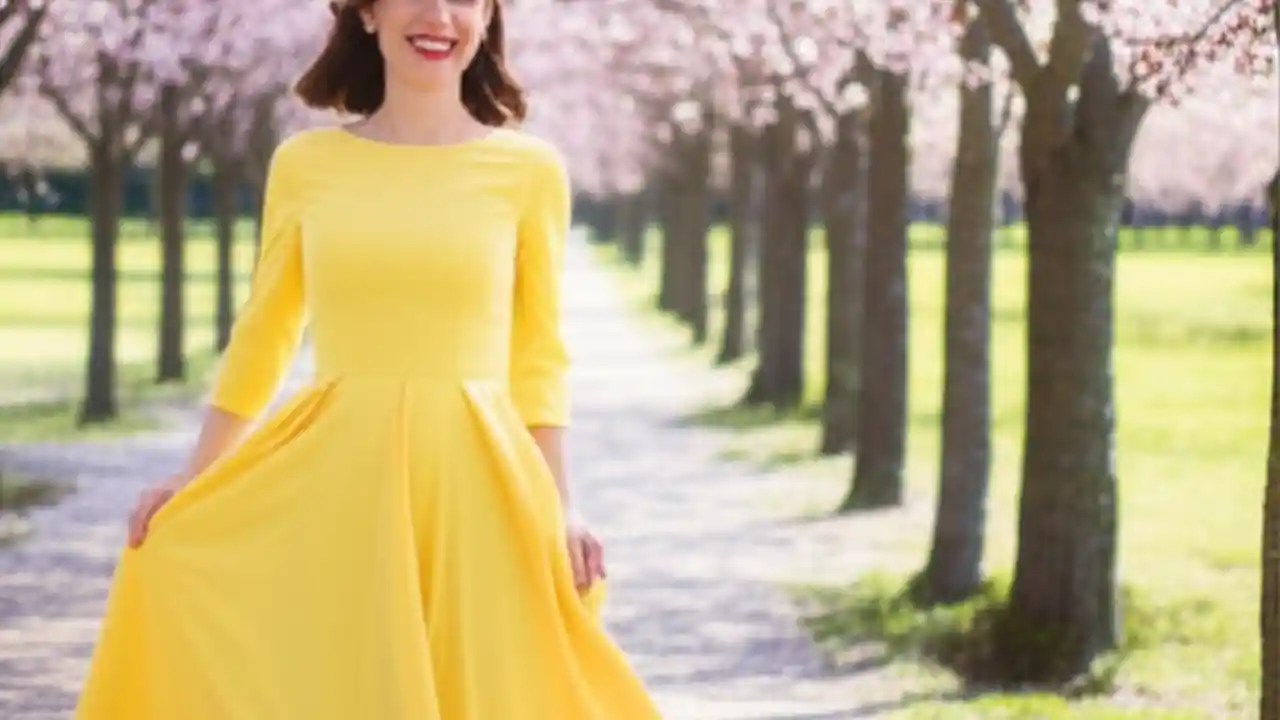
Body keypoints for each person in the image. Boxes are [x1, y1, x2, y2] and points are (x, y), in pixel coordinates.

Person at [73, 0, 664, 717]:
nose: (439, 16)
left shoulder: (529, 170)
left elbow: (538, 352)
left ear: (486, 17)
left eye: (465, 0)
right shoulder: (306, 164)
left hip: (475, 476)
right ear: (364, 14)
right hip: (339, 469)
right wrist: (194, 479)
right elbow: (265, 332)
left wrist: (563, 506)